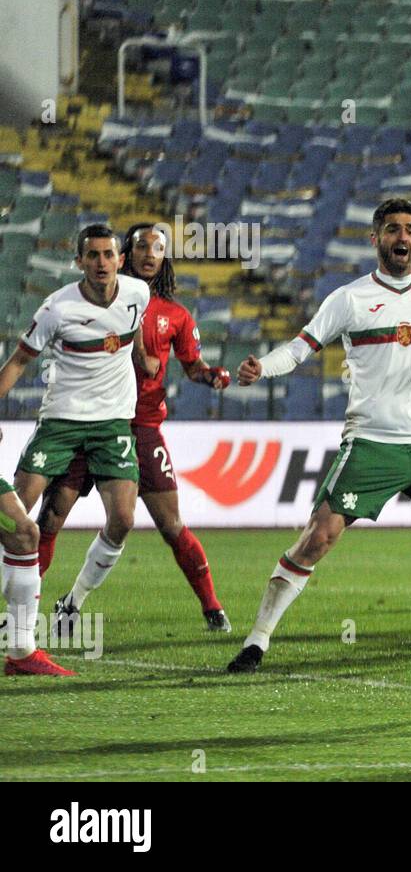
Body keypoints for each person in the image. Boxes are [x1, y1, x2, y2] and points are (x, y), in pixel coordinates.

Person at [225, 198, 411, 673]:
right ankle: (257, 641)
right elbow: (300, 350)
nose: (402, 239)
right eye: (392, 230)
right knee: (317, 538)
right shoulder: (349, 299)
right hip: (371, 443)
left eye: (409, 230)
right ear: (375, 238)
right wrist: (263, 368)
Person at [33, 223, 233, 632]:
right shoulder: (97, 299)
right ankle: (19, 611)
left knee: (169, 524)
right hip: (88, 421)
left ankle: (211, 608)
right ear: (126, 254)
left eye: (156, 247)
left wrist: (210, 375)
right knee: (51, 517)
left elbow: (192, 365)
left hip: (141, 427)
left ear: (163, 258)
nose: (148, 253)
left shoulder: (174, 315)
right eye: (140, 245)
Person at [0, 224, 157, 675]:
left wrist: (143, 357)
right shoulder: (57, 309)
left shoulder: (137, 293)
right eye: (94, 256)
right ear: (80, 262)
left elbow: (136, 330)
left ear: (120, 259)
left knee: (124, 520)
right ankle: (17, 630)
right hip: (62, 422)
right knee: (19, 515)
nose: (103, 262)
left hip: (112, 425)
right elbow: (19, 361)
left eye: (109, 254)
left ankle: (70, 603)